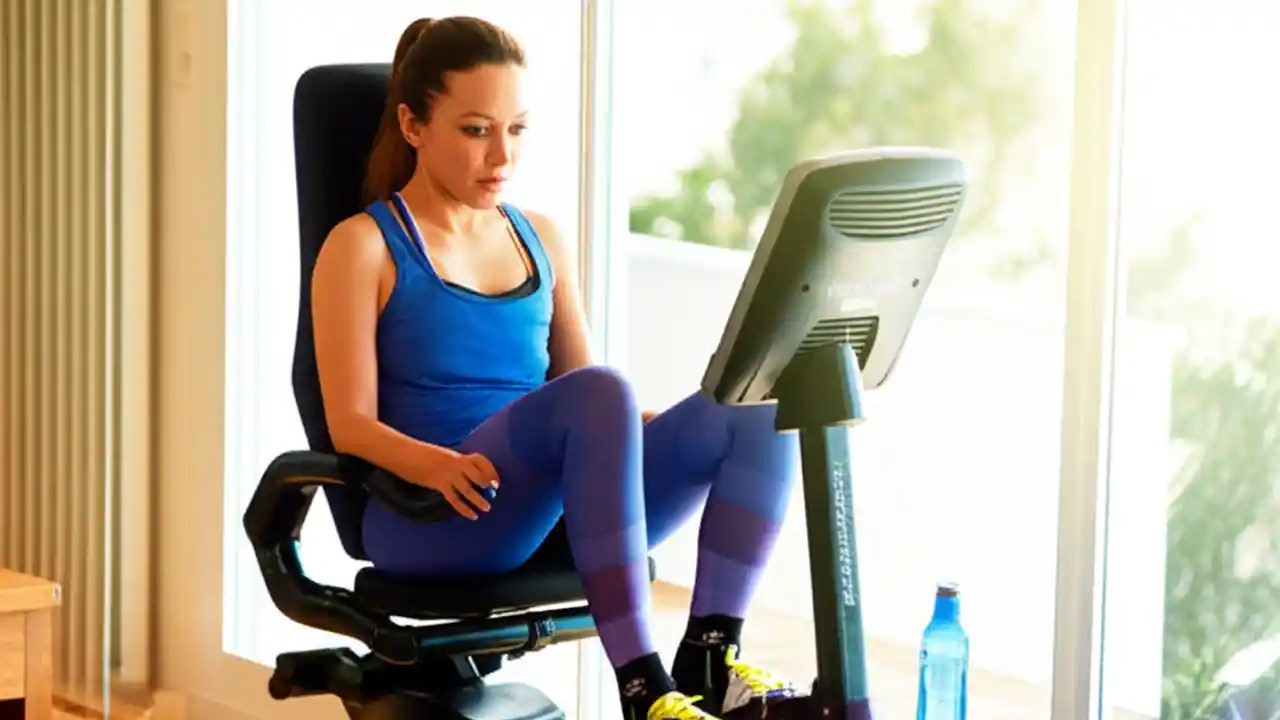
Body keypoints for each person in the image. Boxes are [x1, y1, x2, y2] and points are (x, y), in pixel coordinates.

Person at [311, 16, 802, 720]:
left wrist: (645, 431)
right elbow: (349, 424)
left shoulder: (540, 237)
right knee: (602, 393)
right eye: (476, 130)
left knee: (753, 404)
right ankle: (642, 688)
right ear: (413, 125)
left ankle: (709, 656)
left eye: (516, 129)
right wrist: (434, 466)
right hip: (437, 508)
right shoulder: (363, 247)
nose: (501, 155)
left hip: (550, 502)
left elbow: (581, 392)